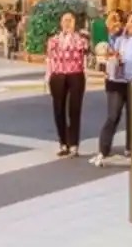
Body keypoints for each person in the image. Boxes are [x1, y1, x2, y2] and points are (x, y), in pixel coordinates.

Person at [92, 11, 132, 167]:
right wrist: (112, 55)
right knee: (113, 116)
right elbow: (109, 47)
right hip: (116, 81)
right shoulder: (120, 39)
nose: (131, 24)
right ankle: (103, 150)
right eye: (129, 21)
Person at [45, 11, 89, 157]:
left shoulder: (80, 39)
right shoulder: (53, 40)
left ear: (74, 23)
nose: (67, 23)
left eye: (70, 20)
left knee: (75, 109)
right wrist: (47, 77)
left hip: (75, 74)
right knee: (59, 109)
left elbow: (85, 53)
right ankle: (63, 143)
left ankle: (74, 144)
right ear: (60, 23)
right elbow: (49, 60)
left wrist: (74, 36)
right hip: (58, 75)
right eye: (65, 20)